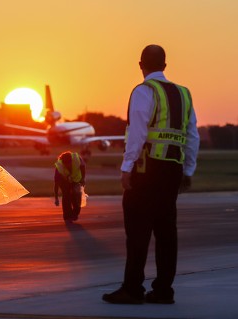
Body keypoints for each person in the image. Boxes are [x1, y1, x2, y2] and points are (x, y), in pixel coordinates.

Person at [102, 45, 200, 304]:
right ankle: (163, 290)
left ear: (140, 64)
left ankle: (132, 289)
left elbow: (137, 132)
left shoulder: (144, 91)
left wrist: (126, 167)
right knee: (167, 232)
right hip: (173, 169)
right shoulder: (183, 94)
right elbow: (192, 136)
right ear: (165, 66)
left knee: (137, 232)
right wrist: (188, 169)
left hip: (146, 169)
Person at [53, 151, 86, 223]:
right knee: (66, 195)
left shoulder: (77, 160)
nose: (68, 165)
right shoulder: (59, 167)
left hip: (76, 179)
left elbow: (83, 167)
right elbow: (56, 183)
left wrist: (83, 179)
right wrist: (56, 198)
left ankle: (75, 213)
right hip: (64, 181)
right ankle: (67, 216)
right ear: (63, 163)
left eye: (69, 163)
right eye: (66, 164)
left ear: (72, 161)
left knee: (77, 195)